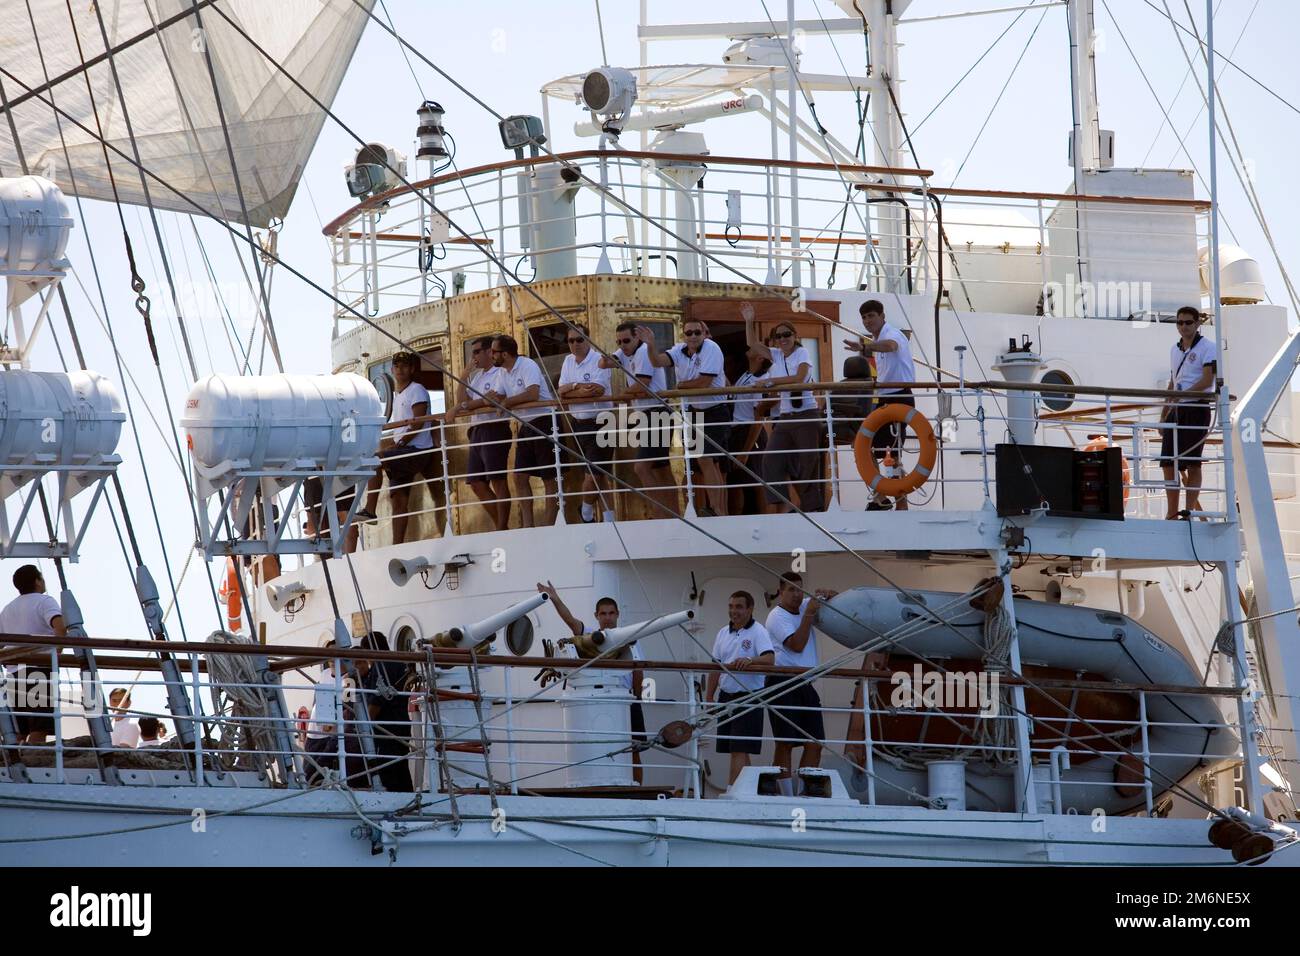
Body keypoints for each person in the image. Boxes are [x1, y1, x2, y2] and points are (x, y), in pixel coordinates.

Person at [537, 582, 647, 784]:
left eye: (611, 613)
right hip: (598, 699)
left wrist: (636, 700)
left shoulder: (630, 639)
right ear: (596, 616)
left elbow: (638, 670)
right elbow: (570, 621)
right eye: (603, 613)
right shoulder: (590, 636)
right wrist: (554, 597)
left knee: (634, 750)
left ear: (617, 615)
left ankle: (638, 788)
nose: (608, 617)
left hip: (625, 699)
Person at [640, 319, 730, 516]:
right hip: (693, 412)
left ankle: (717, 510)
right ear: (684, 335)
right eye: (689, 333)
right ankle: (716, 509)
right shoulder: (679, 350)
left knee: (707, 459)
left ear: (704, 334)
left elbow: (705, 382)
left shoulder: (711, 348)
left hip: (714, 411)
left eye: (697, 332)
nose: (693, 336)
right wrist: (650, 344)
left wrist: (680, 386)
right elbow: (656, 361)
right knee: (706, 461)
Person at [742, 303, 823, 513]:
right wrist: (749, 320)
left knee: (808, 464)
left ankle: (813, 509)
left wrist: (769, 382)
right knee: (770, 459)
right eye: (778, 336)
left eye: (786, 334)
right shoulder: (777, 354)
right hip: (786, 418)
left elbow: (800, 378)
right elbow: (752, 343)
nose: (783, 339)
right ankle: (786, 505)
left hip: (806, 415)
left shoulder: (802, 352)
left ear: (794, 335)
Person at [359, 351, 443, 542]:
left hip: (417, 451)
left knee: (375, 461)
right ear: (392, 369)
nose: (400, 370)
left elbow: (418, 421)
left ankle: (370, 510)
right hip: (405, 451)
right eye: (397, 366)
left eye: (404, 366)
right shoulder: (398, 395)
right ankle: (397, 543)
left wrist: (400, 443)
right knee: (398, 499)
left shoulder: (417, 390)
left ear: (411, 368)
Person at [765, 572, 835, 794]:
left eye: (800, 590)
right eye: (791, 590)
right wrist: (809, 615)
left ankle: (804, 792)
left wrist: (829, 594)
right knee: (785, 742)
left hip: (805, 683)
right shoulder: (776, 617)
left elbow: (834, 599)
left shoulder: (805, 604)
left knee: (815, 742)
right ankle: (785, 794)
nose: (797, 595)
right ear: (780, 592)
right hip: (782, 683)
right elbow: (796, 645)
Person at [845, 299, 917, 510]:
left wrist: (865, 346)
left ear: (882, 317)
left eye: (871, 316)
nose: (868, 321)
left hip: (899, 397)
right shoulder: (878, 338)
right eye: (864, 317)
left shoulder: (892, 334)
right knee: (861, 444)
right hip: (884, 399)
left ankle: (900, 506)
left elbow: (891, 346)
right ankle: (881, 497)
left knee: (891, 454)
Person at [601, 322, 678, 516]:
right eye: (619, 342)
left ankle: (660, 515)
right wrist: (612, 356)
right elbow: (602, 364)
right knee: (662, 468)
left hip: (656, 413)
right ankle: (674, 513)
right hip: (645, 414)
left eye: (626, 340)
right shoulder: (625, 352)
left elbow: (643, 384)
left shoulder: (643, 351)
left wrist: (622, 395)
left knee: (641, 467)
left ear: (637, 338)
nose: (623, 345)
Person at [706, 590, 775, 784]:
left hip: (749, 696)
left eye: (738, 607)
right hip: (726, 695)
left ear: (750, 609)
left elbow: (770, 658)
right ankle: (750, 789)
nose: (733, 611)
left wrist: (750, 660)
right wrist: (709, 697)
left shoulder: (758, 631)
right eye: (731, 606)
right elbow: (715, 667)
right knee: (735, 748)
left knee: (739, 748)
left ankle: (733, 791)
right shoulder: (722, 632)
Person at [492, 335, 559, 527]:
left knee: (549, 477)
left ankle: (549, 525)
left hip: (545, 421)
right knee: (519, 477)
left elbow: (533, 393)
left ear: (505, 354)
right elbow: (498, 394)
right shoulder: (503, 372)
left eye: (494, 352)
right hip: (526, 425)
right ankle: (528, 526)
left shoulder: (527, 365)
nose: (491, 355)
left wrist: (506, 403)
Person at [448, 335, 511, 530]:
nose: (473, 357)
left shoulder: (499, 373)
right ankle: (501, 526)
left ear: (488, 352)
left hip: (494, 428)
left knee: (497, 481)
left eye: (476, 352)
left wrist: (463, 407)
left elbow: (490, 399)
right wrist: (464, 376)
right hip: (477, 430)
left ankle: (502, 527)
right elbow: (463, 401)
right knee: (476, 483)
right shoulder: (477, 377)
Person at [1161, 306, 1216, 520]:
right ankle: (1172, 512)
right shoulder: (1174, 350)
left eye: (1188, 322)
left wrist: (1181, 394)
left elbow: (1207, 381)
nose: (1183, 327)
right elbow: (1173, 382)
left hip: (1196, 408)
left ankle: (1189, 510)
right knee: (1168, 462)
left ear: (1197, 324)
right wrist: (1164, 413)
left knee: (1193, 461)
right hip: (1177, 410)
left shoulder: (1207, 348)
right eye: (1179, 323)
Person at [0, 564, 65, 745]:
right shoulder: (45, 601)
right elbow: (60, 627)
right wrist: (56, 655)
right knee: (40, 727)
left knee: (20, 730)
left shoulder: (7, 610)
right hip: (39, 670)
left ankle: (17, 763)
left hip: (14, 674)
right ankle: (34, 759)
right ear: (37, 581)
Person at [557, 323, 615, 523]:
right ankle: (609, 518)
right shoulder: (567, 361)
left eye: (579, 339)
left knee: (593, 473)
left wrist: (571, 391)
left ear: (588, 339)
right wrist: (577, 387)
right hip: (579, 424)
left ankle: (586, 513)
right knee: (600, 473)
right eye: (571, 340)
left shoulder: (599, 360)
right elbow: (561, 391)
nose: (575, 344)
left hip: (602, 423)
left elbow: (597, 390)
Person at [356, 631, 414, 792]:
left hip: (385, 730)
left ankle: (395, 805)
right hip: (401, 724)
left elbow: (377, 702)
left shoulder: (380, 666)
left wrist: (363, 726)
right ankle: (408, 801)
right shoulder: (399, 664)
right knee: (401, 770)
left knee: (388, 772)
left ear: (368, 650)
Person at [728, 347, 772, 516]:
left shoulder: (762, 380)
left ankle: (765, 520)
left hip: (749, 432)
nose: (750, 347)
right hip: (736, 431)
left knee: (756, 481)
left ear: (760, 358)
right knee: (736, 480)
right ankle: (735, 520)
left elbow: (759, 418)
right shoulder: (747, 375)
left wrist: (745, 452)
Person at [303, 474, 359, 555]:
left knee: (312, 517)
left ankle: (319, 552)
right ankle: (350, 555)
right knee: (346, 516)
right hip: (340, 470)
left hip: (314, 473)